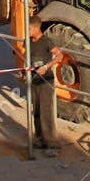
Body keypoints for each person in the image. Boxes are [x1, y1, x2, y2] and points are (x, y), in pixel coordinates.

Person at [25, 18, 63, 157]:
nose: (26, 31)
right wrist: (24, 71)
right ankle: (40, 139)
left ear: (36, 28)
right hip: (33, 81)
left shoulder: (46, 41)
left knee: (46, 112)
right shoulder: (28, 41)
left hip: (45, 81)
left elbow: (59, 56)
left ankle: (53, 144)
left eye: (28, 29)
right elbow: (27, 58)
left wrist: (46, 66)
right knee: (36, 111)